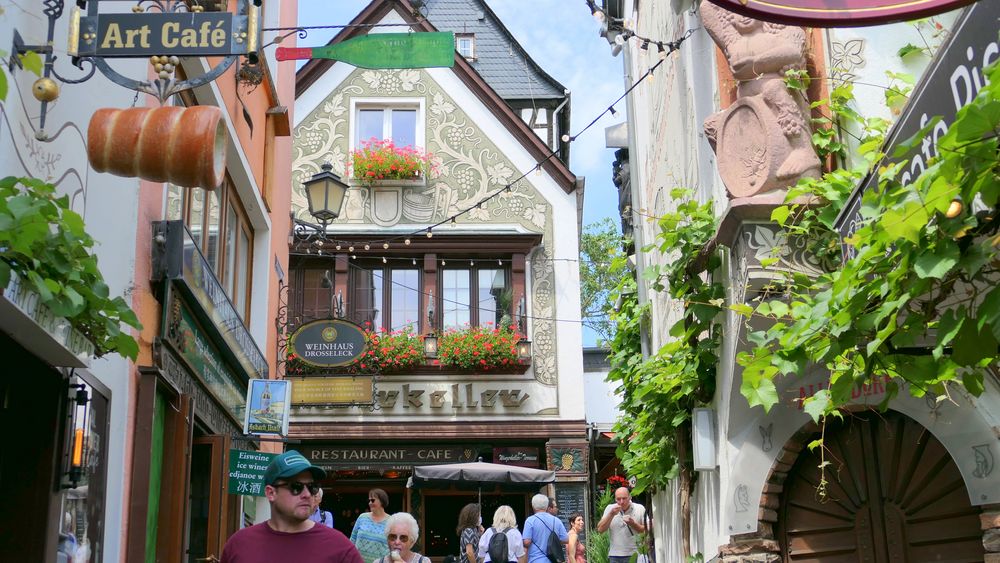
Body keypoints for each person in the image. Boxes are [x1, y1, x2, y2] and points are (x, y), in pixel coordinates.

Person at [220, 450, 363, 563]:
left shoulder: (340, 549)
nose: (307, 494)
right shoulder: (239, 544)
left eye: (312, 487)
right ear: (271, 493)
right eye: (296, 487)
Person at [595, 487, 646, 563]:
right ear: (615, 499)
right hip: (615, 555)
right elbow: (600, 529)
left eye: (624, 498)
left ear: (630, 497)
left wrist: (633, 524)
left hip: (634, 554)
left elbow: (646, 530)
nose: (621, 502)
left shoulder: (639, 508)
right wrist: (611, 514)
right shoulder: (610, 508)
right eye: (618, 499)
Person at [522, 494, 567, 563]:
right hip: (554, 559)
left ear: (533, 506)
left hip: (536, 560)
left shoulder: (530, 520)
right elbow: (565, 539)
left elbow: (527, 542)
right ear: (546, 506)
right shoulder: (556, 520)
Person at [351, 488, 392, 563]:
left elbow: (394, 546)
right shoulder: (362, 517)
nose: (370, 503)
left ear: (382, 501)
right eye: (369, 500)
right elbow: (352, 540)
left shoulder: (391, 521)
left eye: (372, 500)